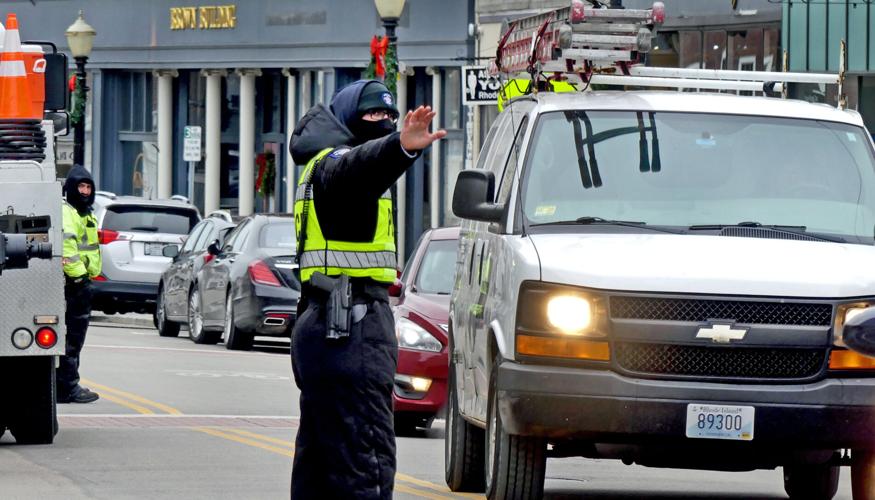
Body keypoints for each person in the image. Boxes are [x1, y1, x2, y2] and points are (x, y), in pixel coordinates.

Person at [288, 79, 446, 499]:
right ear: (346, 122)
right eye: (373, 115)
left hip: (324, 325)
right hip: (352, 327)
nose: (385, 121)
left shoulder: (316, 167)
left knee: (319, 466)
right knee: (366, 463)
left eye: (390, 116)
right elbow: (359, 167)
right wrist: (401, 147)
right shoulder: (336, 166)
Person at [58, 164, 101, 404]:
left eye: (88, 186)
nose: (84, 191)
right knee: (71, 339)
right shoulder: (68, 212)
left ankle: (65, 385)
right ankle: (68, 386)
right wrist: (79, 278)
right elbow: (67, 250)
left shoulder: (86, 213)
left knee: (73, 339)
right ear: (70, 188)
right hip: (73, 284)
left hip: (81, 283)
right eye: (80, 186)